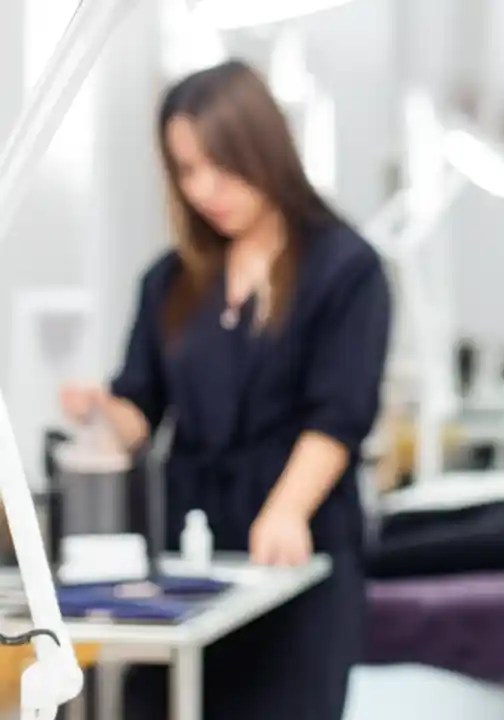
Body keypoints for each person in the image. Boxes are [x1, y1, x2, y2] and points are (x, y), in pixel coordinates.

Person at [60, 61, 391, 720]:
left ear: (262, 149)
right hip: (192, 548)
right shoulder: (170, 280)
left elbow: (339, 415)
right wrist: (102, 412)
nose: (205, 188)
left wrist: (288, 510)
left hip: (299, 550)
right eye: (185, 170)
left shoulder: (345, 268)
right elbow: (141, 409)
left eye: (219, 164)